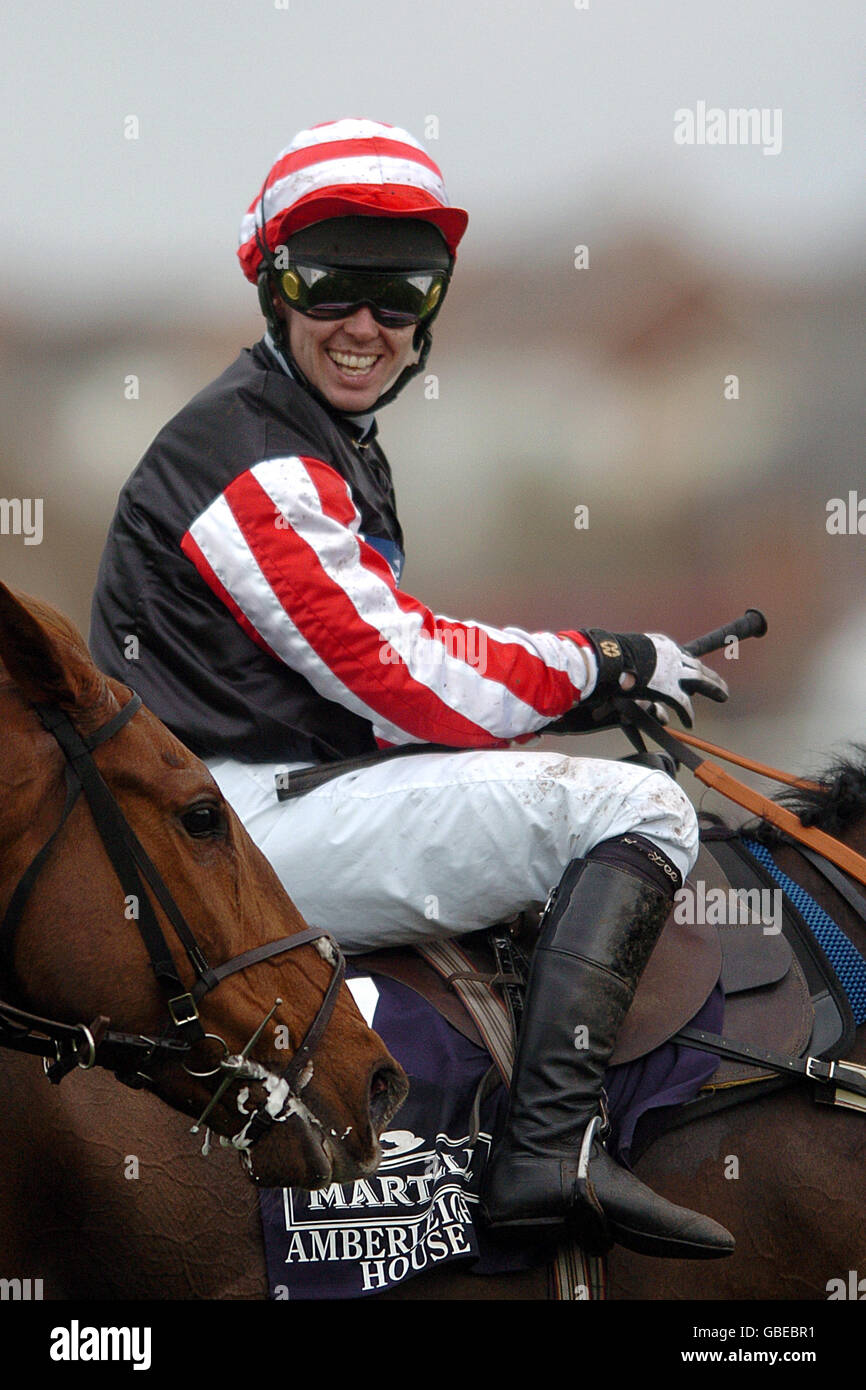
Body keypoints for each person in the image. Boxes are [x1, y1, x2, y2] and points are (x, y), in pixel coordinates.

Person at [90, 117, 733, 1260]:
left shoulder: (311, 435)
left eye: (404, 294)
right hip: (227, 837)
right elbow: (409, 683)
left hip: (259, 806)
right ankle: (550, 1153)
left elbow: (398, 670)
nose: (368, 325)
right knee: (637, 810)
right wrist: (602, 662)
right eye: (335, 283)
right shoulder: (254, 460)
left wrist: (589, 680)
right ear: (273, 284)